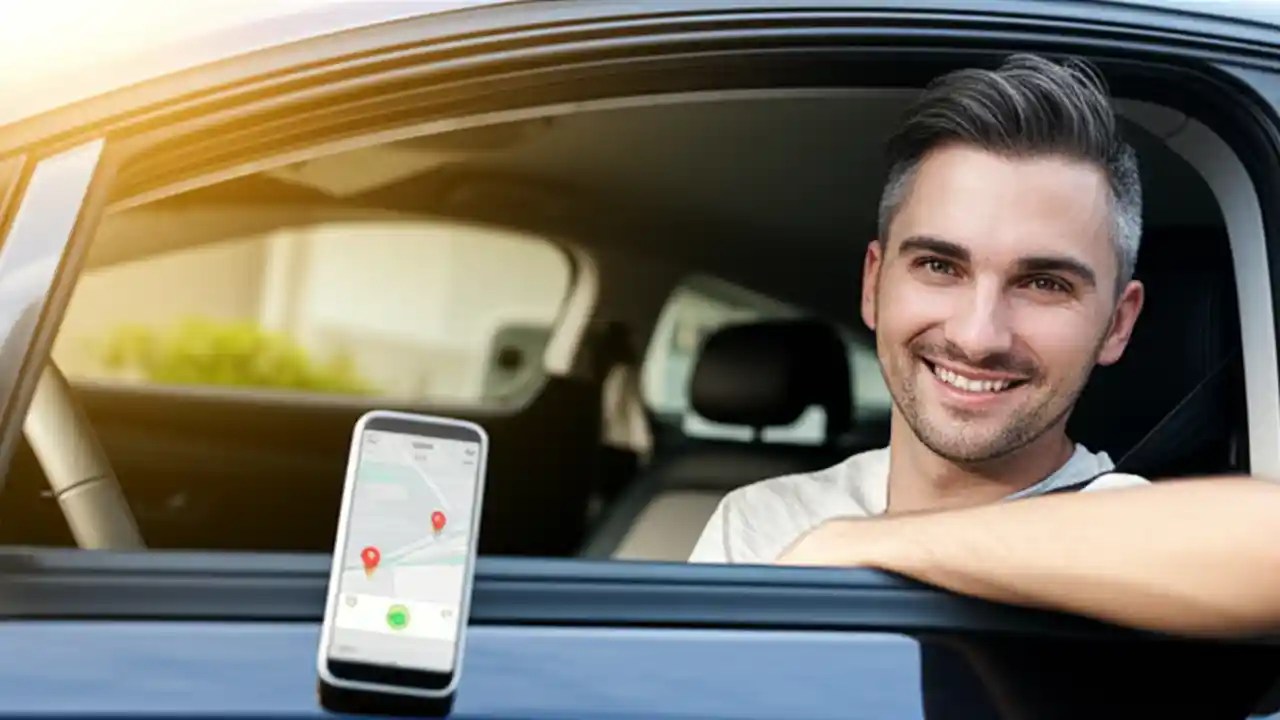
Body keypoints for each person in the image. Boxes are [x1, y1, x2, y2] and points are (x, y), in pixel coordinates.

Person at [688, 53, 1280, 638]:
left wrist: (869, 544)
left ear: (1118, 325)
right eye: (940, 266)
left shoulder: (1154, 545)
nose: (977, 336)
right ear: (874, 284)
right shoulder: (761, 524)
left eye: (1044, 283)